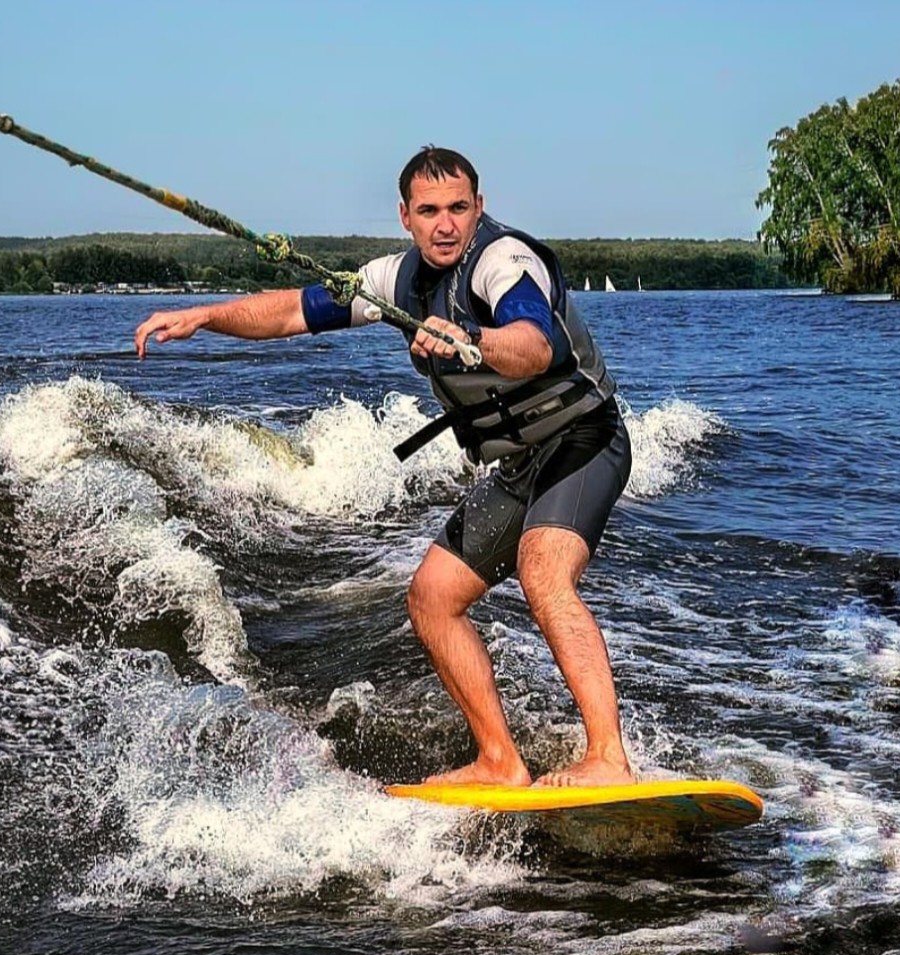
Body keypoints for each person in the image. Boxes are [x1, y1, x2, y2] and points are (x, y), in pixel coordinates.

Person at [134, 146, 633, 789]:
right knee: (432, 598)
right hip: (515, 465)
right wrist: (206, 316)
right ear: (405, 217)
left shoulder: (504, 263)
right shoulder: (393, 280)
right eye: (429, 211)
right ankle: (500, 762)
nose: (445, 224)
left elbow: (536, 346)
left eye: (458, 208)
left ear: (479, 207)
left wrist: (471, 341)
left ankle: (608, 759)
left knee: (544, 571)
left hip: (581, 436)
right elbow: (293, 310)